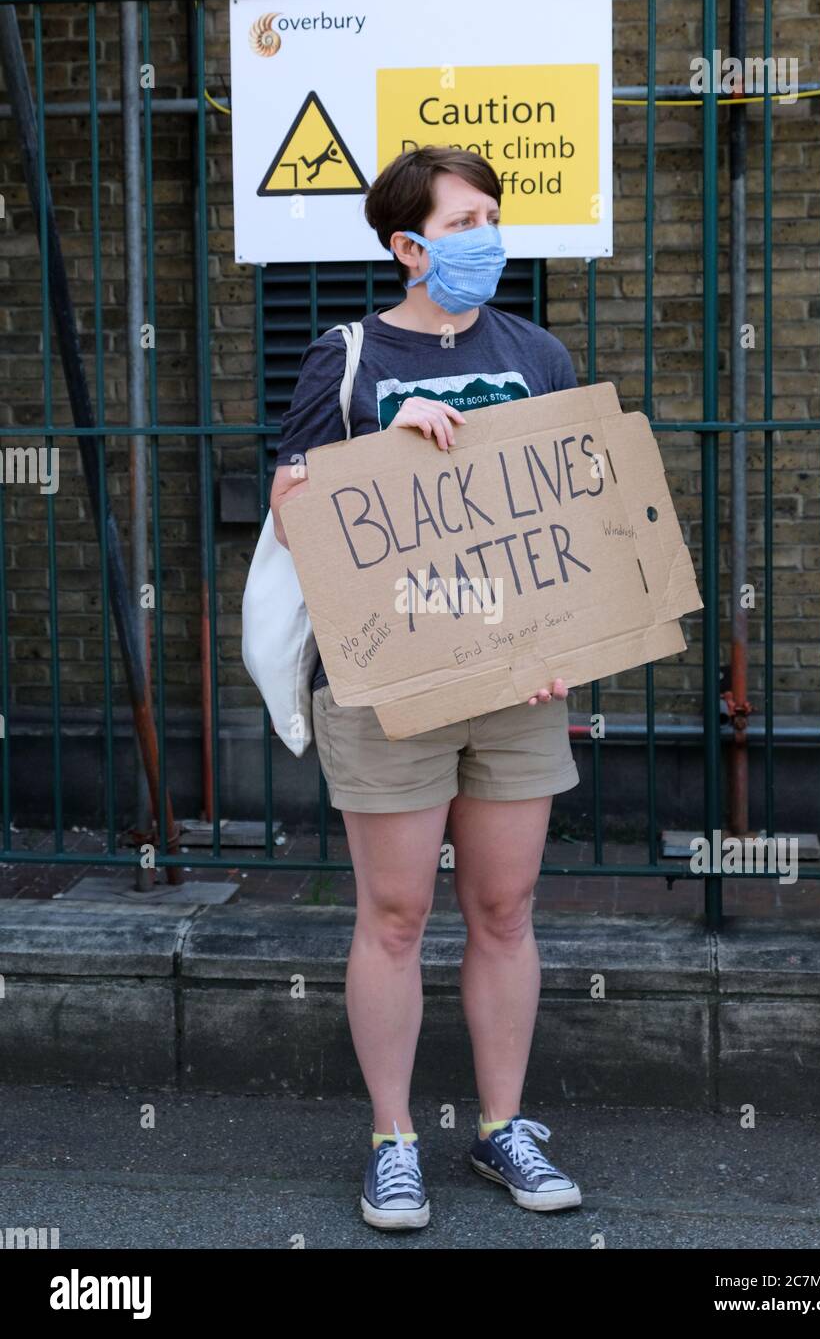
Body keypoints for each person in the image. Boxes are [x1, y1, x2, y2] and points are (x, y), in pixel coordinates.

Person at [270, 145, 583, 1230]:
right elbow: (292, 513)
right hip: (387, 678)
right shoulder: (345, 359)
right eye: (462, 221)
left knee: (503, 908)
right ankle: (392, 1139)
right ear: (408, 245)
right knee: (395, 913)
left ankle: (501, 1128)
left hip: (511, 680)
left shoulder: (537, 353)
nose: (484, 235)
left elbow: (573, 516)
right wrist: (382, 454)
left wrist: (568, 641)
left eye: (491, 214)